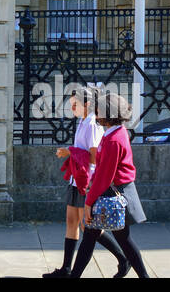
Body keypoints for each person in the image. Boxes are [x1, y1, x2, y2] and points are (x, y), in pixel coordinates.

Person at [42, 85, 128, 277]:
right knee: (72, 222)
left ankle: (123, 258)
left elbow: (95, 157)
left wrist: (69, 151)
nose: (72, 109)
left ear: (87, 104)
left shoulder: (91, 123)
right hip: (77, 177)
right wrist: (71, 153)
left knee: (88, 226)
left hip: (87, 179)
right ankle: (66, 268)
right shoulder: (82, 121)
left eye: (75, 105)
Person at [69, 90, 150, 278]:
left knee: (100, 238)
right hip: (116, 193)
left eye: (98, 112)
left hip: (112, 194)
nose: (96, 116)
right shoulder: (117, 133)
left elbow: (104, 176)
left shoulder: (113, 140)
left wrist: (88, 202)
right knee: (112, 239)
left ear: (108, 115)